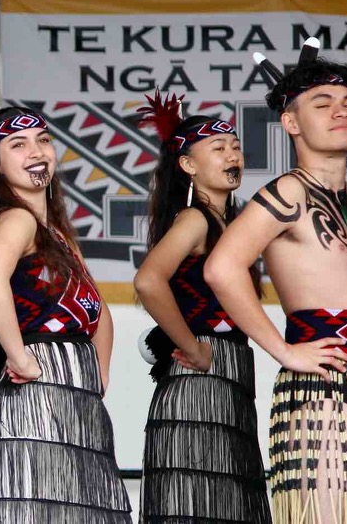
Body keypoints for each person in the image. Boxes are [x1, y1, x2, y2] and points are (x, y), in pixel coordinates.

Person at [205, 38, 347, 523]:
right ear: (291, 122)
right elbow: (221, 267)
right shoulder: (288, 191)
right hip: (322, 383)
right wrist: (284, 350)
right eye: (323, 103)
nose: (341, 112)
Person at [0, 86, 131, 523]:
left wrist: (98, 373)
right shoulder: (17, 219)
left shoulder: (58, 234)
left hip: (74, 395)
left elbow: (98, 311)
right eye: (19, 144)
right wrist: (20, 357)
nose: (37, 151)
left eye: (44, 140)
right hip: (38, 400)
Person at [134, 91, 270, 523]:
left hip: (230, 376)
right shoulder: (195, 219)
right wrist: (191, 347)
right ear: (188, 165)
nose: (232, 155)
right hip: (199, 385)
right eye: (218, 148)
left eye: (235, 147)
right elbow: (148, 280)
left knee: (226, 506)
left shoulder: (236, 223)